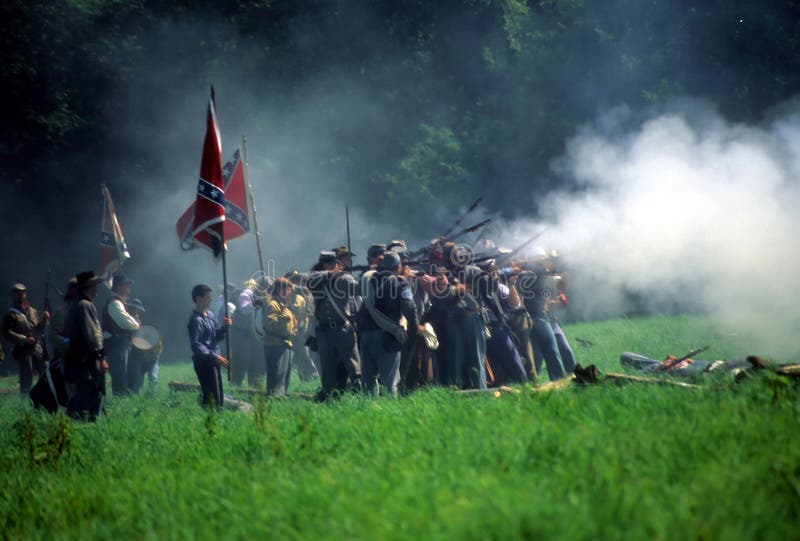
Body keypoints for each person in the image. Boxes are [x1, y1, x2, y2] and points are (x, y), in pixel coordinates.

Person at [358, 251, 421, 397]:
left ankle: (368, 414)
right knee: (390, 381)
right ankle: (389, 414)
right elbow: (410, 309)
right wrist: (413, 331)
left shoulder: (368, 278)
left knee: (368, 380)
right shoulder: (400, 282)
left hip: (366, 335)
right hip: (387, 335)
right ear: (398, 267)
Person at [304, 251, 361, 400]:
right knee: (327, 368)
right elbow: (306, 281)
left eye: (334, 264)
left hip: (342, 328)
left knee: (353, 366)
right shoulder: (316, 280)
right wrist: (327, 275)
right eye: (329, 264)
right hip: (324, 331)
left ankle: (361, 394)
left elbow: (360, 289)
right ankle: (329, 396)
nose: (333, 266)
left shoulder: (344, 278)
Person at [63, 271, 107, 421]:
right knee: (90, 392)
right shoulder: (84, 305)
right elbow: (92, 336)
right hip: (86, 359)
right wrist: (101, 358)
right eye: (95, 285)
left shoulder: (77, 304)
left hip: (80, 358)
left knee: (87, 393)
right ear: (89, 287)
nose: (97, 289)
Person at [188, 284, 231, 408]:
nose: (210, 300)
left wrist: (224, 327)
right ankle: (210, 420)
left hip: (214, 360)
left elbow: (215, 337)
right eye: (207, 297)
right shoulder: (196, 320)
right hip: (204, 363)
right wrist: (215, 356)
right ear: (198, 298)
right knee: (211, 397)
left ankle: (216, 417)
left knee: (218, 396)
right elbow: (196, 345)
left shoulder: (211, 315)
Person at [3, 283, 49, 395]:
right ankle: (24, 402)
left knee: (45, 371)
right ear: (13, 296)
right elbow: (7, 333)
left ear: (25, 295)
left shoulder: (33, 311)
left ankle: (43, 397)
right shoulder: (11, 314)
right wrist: (24, 339)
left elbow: (39, 329)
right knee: (27, 377)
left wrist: (45, 319)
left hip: (36, 348)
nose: (19, 296)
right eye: (16, 294)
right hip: (22, 350)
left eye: (22, 293)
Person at [102, 274, 140, 396]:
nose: (129, 287)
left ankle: (125, 398)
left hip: (121, 342)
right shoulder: (115, 303)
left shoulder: (120, 302)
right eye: (127, 285)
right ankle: (120, 399)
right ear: (119, 287)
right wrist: (137, 325)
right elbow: (125, 322)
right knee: (120, 374)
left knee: (126, 373)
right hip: (116, 342)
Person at [260, 277, 297, 397]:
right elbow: (269, 324)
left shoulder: (283, 305)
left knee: (283, 375)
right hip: (275, 344)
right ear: (278, 289)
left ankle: (280, 397)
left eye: (289, 288)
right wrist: (283, 318)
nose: (289, 291)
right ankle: (274, 398)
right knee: (276, 375)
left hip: (284, 343)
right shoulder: (273, 304)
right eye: (287, 288)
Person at [229, 279, 264, 388]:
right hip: (243, 334)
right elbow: (245, 310)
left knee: (254, 362)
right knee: (241, 361)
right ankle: (236, 386)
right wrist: (256, 302)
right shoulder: (245, 295)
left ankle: (253, 386)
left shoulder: (251, 296)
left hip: (250, 334)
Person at [126, 298, 161, 394]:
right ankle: (137, 398)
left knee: (153, 378)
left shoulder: (137, 320)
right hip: (136, 355)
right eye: (133, 308)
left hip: (150, 355)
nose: (136, 311)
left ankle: (152, 397)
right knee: (137, 380)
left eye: (137, 309)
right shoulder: (127, 319)